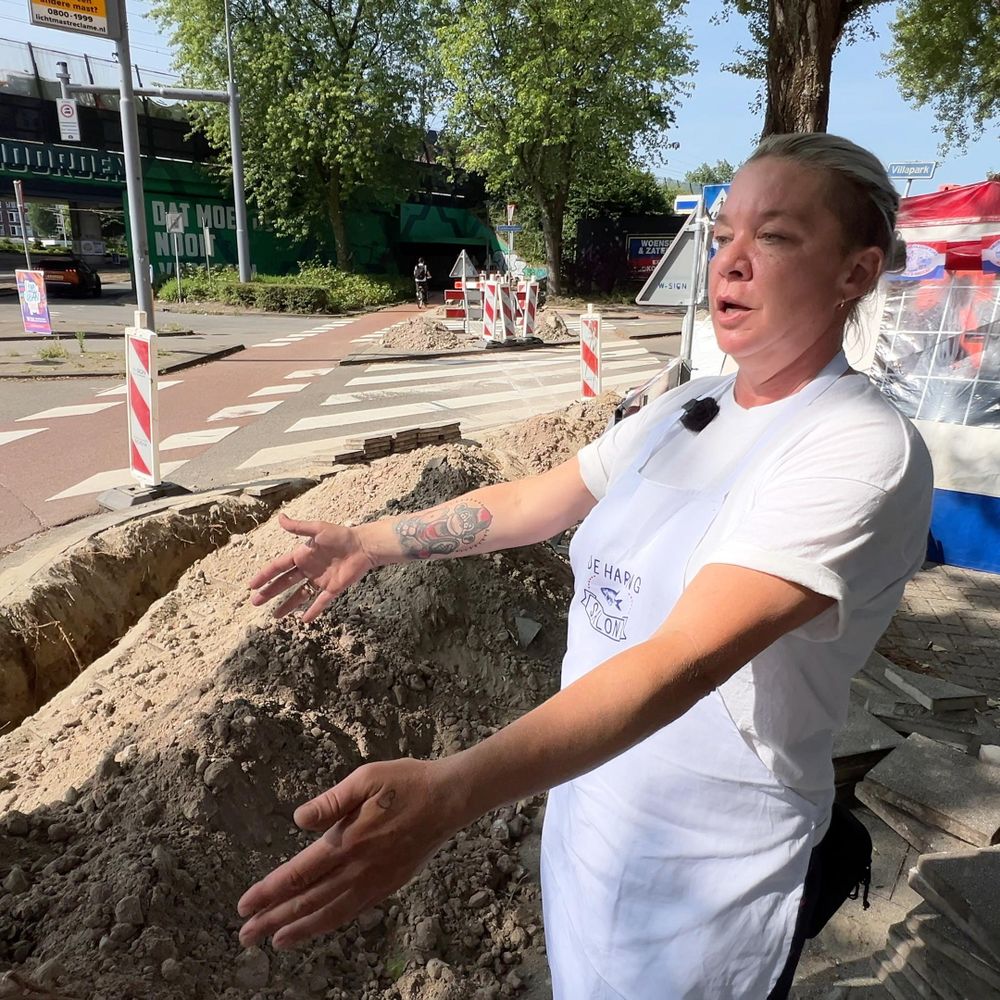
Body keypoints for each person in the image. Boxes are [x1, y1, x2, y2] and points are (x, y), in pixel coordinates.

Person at [238, 133, 933, 999]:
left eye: (778, 237)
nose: (733, 263)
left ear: (856, 273)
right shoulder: (689, 406)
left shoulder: (858, 446)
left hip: (708, 871)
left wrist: (452, 794)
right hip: (593, 819)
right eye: (723, 236)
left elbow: (686, 657)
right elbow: (542, 500)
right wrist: (373, 540)